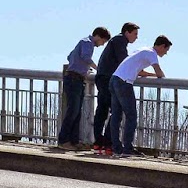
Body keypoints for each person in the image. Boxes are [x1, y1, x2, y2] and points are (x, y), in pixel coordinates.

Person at [107, 36, 172, 158]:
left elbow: (139, 71)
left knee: (116, 116)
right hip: (124, 82)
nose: (165, 53)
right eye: (166, 50)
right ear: (162, 46)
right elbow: (159, 73)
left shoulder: (142, 50)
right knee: (131, 116)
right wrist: (162, 77)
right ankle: (127, 148)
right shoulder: (152, 54)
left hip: (115, 79)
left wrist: (151, 75)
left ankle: (116, 148)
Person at [58, 27, 110, 148]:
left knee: (76, 112)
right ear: (98, 36)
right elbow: (85, 57)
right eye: (103, 41)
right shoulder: (88, 43)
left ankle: (73, 141)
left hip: (75, 78)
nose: (102, 45)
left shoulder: (83, 42)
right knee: (73, 111)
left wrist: (82, 67)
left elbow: (70, 56)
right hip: (74, 78)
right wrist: (97, 68)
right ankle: (64, 140)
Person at [93, 22, 139, 155]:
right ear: (127, 32)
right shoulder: (120, 41)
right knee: (115, 112)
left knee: (102, 110)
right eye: (135, 34)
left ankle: (98, 143)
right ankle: (108, 143)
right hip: (108, 78)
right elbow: (124, 61)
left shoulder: (115, 40)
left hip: (102, 77)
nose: (136, 38)